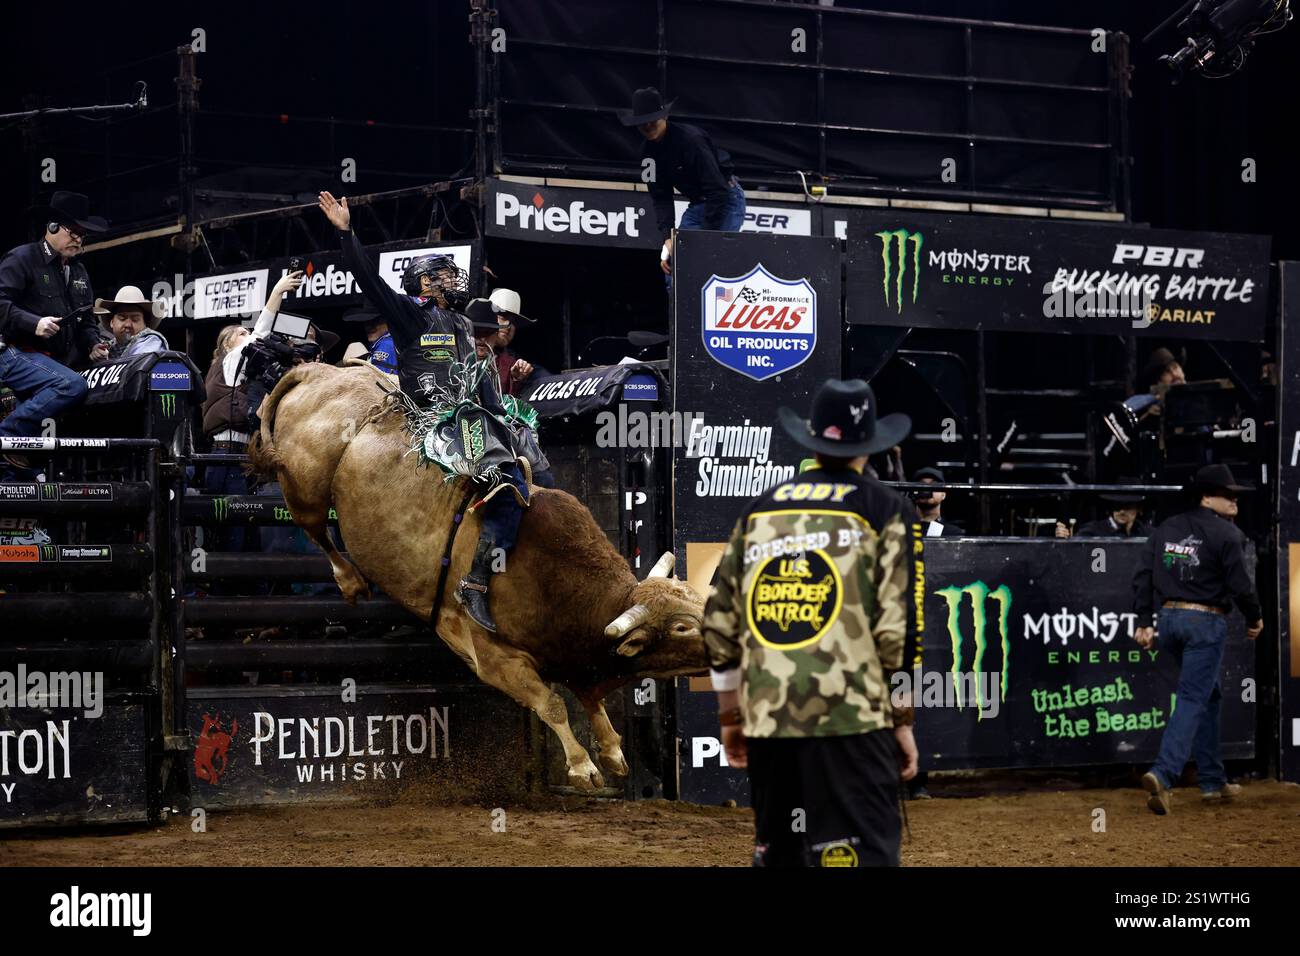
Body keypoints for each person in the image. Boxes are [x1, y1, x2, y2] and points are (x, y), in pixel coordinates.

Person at [703, 378, 923, 867]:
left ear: (812, 441)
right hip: (851, 719)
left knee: (780, 853)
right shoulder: (888, 510)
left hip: (770, 719)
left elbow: (719, 624)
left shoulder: (760, 510)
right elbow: (898, 631)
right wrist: (902, 722)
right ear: (870, 447)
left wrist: (730, 716)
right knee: (857, 852)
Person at [319, 190, 525, 633]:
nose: (454, 281)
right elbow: (370, 281)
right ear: (424, 285)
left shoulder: (465, 325)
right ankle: (475, 583)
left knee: (533, 479)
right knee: (503, 484)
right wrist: (347, 234)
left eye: (453, 276)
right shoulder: (411, 318)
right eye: (445, 277)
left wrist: (506, 422)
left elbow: (481, 381)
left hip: (473, 420)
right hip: (431, 423)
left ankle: (510, 570)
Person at [1132, 463, 1264, 815]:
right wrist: (1255, 617)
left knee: (1209, 694)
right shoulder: (1227, 535)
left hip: (1170, 620)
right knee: (1193, 697)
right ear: (1207, 498)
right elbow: (1240, 585)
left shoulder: (1165, 528)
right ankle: (1164, 773)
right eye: (1228, 495)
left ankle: (1211, 780)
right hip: (1204, 622)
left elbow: (1144, 574)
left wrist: (1144, 621)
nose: (1235, 501)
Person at [0, 191, 107, 472]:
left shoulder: (80, 271)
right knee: (71, 385)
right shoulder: (22, 258)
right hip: (14, 353)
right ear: (52, 227)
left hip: (51, 363)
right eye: (75, 232)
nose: (79, 239)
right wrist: (33, 323)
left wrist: (93, 344)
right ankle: (8, 434)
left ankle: (17, 475)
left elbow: (86, 322)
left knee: (29, 465)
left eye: (83, 235)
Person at [619, 87, 746, 278]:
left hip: (725, 200)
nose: (647, 127)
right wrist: (667, 237)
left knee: (713, 264)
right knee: (674, 267)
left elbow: (717, 190)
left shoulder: (691, 140)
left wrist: (705, 237)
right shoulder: (646, 153)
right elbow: (660, 197)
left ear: (665, 117)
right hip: (697, 204)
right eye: (642, 123)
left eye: (652, 120)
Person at [92, 286, 167, 360]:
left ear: (145, 324)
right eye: (122, 318)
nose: (128, 324)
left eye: (135, 319)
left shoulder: (152, 341)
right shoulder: (109, 347)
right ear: (112, 322)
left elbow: (139, 363)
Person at [341, 307, 396, 374]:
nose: (369, 327)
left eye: (376, 321)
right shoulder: (387, 343)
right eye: (366, 322)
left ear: (388, 322)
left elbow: (378, 381)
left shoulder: (385, 345)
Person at [913, 466, 963, 538]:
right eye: (921, 485)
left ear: (943, 494)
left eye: (933, 484)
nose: (926, 489)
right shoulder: (903, 529)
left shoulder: (952, 532)